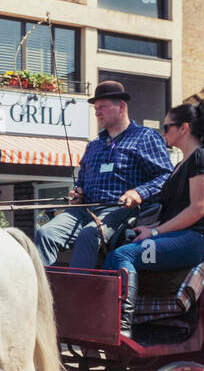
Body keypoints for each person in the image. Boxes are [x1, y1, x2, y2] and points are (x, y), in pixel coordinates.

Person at [102, 101, 204, 337]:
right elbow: (177, 211)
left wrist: (156, 233)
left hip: (199, 242)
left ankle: (123, 325)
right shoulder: (182, 164)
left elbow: (198, 210)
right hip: (183, 236)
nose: (162, 133)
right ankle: (114, 318)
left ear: (184, 128)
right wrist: (151, 227)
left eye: (166, 127)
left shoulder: (202, 159)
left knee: (124, 254)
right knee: (114, 251)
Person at [34, 80, 173, 268]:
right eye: (96, 108)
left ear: (121, 106)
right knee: (45, 232)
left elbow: (166, 176)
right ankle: (44, 290)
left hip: (120, 211)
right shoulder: (94, 145)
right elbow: (81, 179)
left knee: (88, 234)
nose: (97, 112)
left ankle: (77, 290)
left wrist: (138, 193)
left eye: (103, 107)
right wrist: (78, 191)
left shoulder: (145, 137)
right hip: (84, 210)